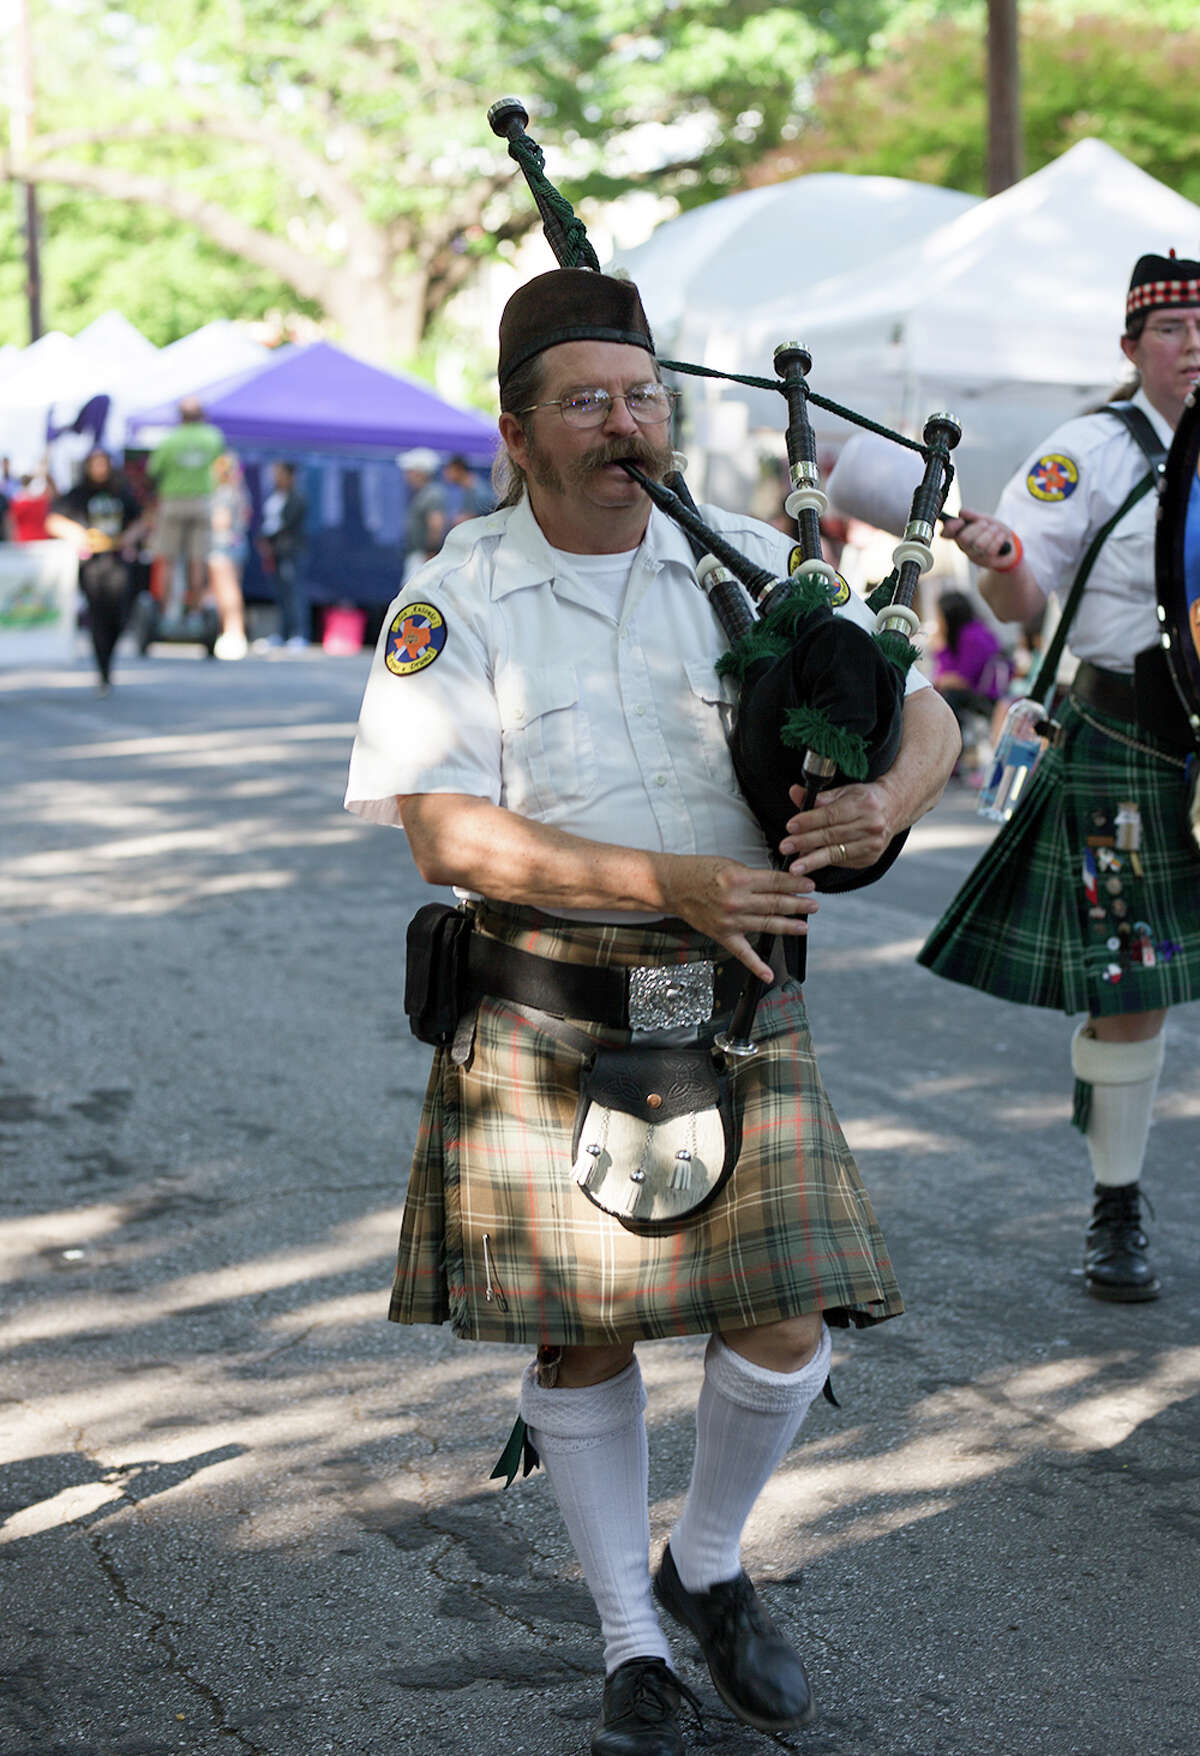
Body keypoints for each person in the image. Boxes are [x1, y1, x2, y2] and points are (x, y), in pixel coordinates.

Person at [345, 268, 960, 1755]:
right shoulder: (458, 594)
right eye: (587, 404)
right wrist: (660, 877)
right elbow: (446, 835)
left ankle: (710, 1562)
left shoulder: (752, 562)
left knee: (783, 1323)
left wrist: (890, 794)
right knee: (584, 1340)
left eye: (644, 398)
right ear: (517, 433)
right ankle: (631, 1639)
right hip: (550, 1004)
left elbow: (927, 706)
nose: (626, 427)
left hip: (735, 1004)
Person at [919, 251, 1200, 1304]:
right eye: (1171, 329)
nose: (1193, 345)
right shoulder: (1084, 450)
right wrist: (997, 559)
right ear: (1131, 348)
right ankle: (1117, 1202)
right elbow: (1021, 603)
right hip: (1126, 737)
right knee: (1130, 989)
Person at [45, 448, 151, 694]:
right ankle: (103, 668)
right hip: (91, 564)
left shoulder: (120, 493)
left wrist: (128, 537)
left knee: (119, 614)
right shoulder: (78, 494)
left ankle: (108, 658)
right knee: (98, 615)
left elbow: (141, 519)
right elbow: (54, 520)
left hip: (117, 561)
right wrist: (77, 534)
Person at [146, 397, 226, 612]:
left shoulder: (170, 439)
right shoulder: (212, 436)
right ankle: (195, 610)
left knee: (169, 559)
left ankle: (165, 610)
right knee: (197, 559)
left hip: (172, 502)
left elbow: (153, 470)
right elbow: (221, 465)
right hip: (201, 501)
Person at [931, 589, 1013, 778]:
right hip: (976, 693)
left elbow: (963, 679)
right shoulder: (967, 633)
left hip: (987, 697)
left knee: (946, 700)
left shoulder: (973, 636)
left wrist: (940, 651)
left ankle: (948, 759)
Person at [258, 460, 309, 647]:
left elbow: (288, 525)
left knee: (294, 592)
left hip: (291, 553)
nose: (276, 478)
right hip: (276, 553)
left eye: (280, 473)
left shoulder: (298, 498)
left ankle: (299, 634)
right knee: (280, 593)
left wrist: (270, 539)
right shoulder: (274, 497)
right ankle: (283, 633)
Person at [208, 452, 251, 660]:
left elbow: (220, 521)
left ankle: (233, 633)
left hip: (222, 545)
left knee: (227, 591)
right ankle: (231, 632)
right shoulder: (240, 492)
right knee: (230, 589)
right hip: (236, 544)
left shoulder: (224, 493)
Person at [398, 447, 447, 577]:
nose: (406, 476)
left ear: (421, 472)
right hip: (419, 555)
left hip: (424, 556)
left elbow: (436, 524)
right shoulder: (423, 493)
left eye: (410, 471)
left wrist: (430, 553)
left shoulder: (431, 494)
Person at [444, 451, 494, 524]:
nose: (446, 474)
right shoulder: (465, 489)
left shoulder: (479, 492)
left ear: (459, 470)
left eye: (449, 471)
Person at [8, 472, 54, 543]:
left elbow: (11, 523)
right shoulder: (43, 502)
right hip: (39, 540)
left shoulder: (17, 503)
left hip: (25, 542)